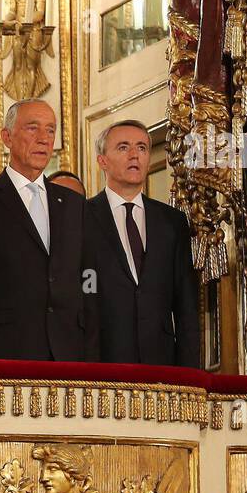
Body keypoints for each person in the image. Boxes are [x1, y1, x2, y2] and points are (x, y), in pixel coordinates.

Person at [0, 98, 97, 361]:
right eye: (32, 128)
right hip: (4, 356)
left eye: (50, 130)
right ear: (7, 137)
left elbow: (88, 277)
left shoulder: (73, 204)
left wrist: (91, 351)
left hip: (68, 355)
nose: (43, 139)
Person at [84, 119, 200, 367]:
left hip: (161, 365)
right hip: (103, 363)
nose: (134, 155)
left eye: (142, 148)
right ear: (102, 160)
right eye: (123, 148)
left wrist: (189, 374)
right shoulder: (82, 217)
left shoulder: (172, 222)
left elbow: (186, 305)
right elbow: (84, 289)